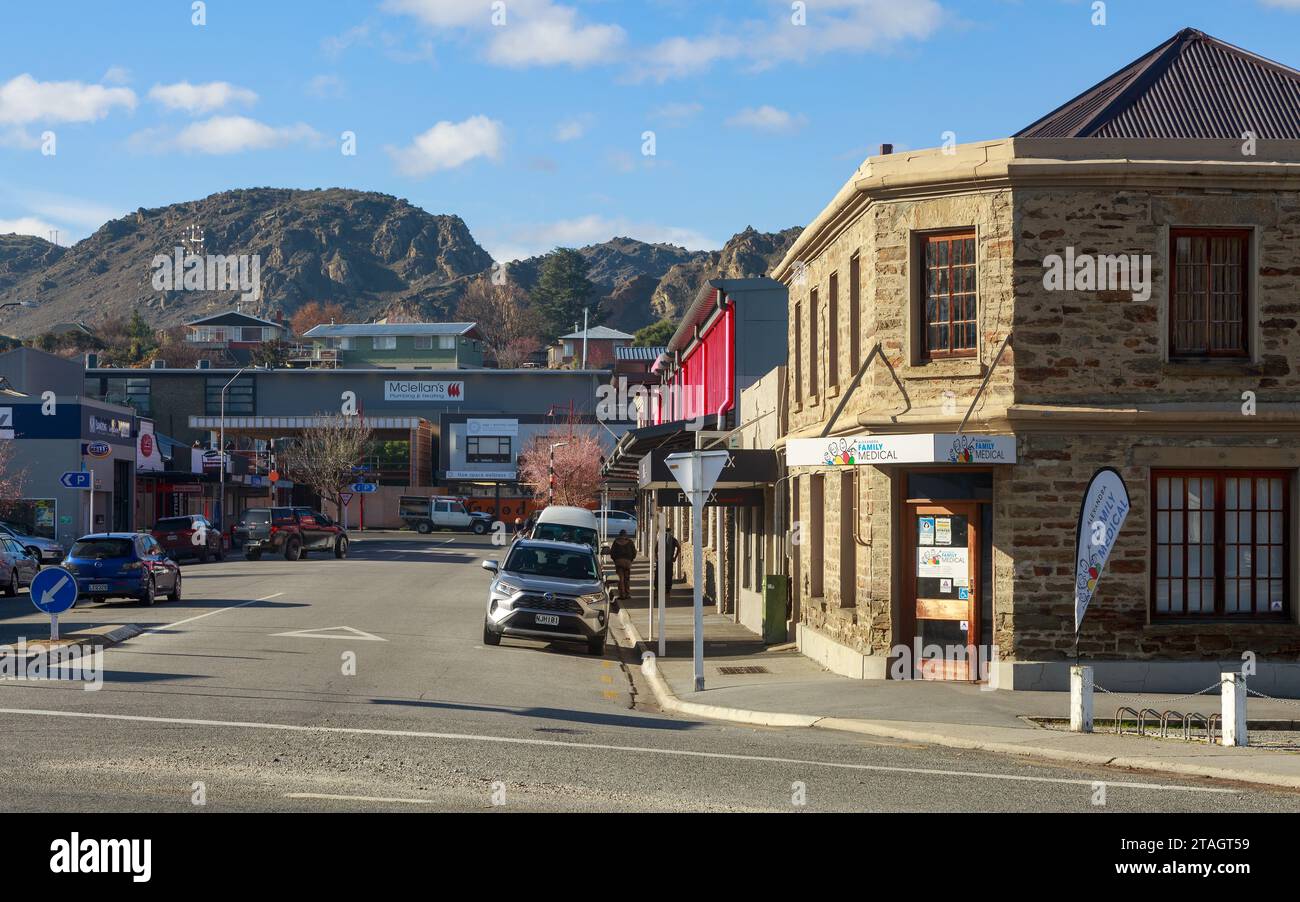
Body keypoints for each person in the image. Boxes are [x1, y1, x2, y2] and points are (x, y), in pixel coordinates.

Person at [608, 529, 637, 600]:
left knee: (620, 579)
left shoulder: (616, 542)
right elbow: (634, 552)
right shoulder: (630, 542)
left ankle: (622, 595)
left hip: (618, 562)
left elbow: (612, 553)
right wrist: (631, 560)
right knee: (627, 579)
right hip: (627, 562)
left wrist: (615, 560)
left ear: (619, 534)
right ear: (625, 535)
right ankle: (627, 594)